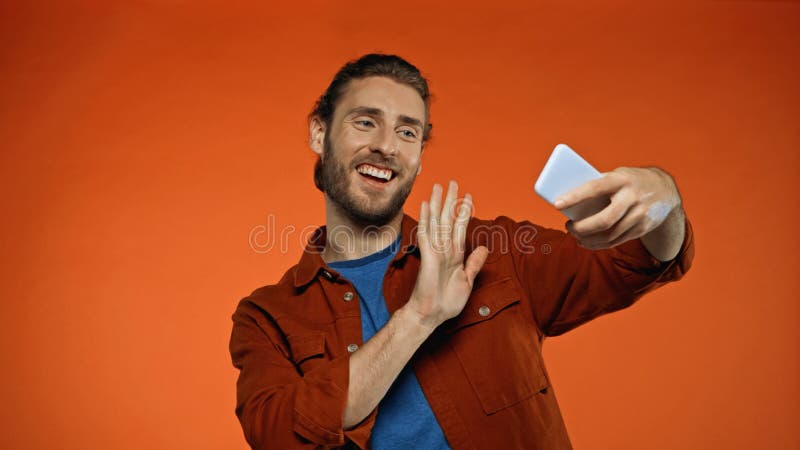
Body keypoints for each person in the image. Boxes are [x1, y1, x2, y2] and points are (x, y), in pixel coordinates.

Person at [228, 54, 695, 450]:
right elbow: (280, 436)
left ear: (419, 156)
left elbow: (638, 261)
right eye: (365, 121)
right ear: (318, 134)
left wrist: (663, 200)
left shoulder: (494, 251)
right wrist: (419, 317)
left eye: (408, 133)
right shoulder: (267, 316)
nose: (387, 146)